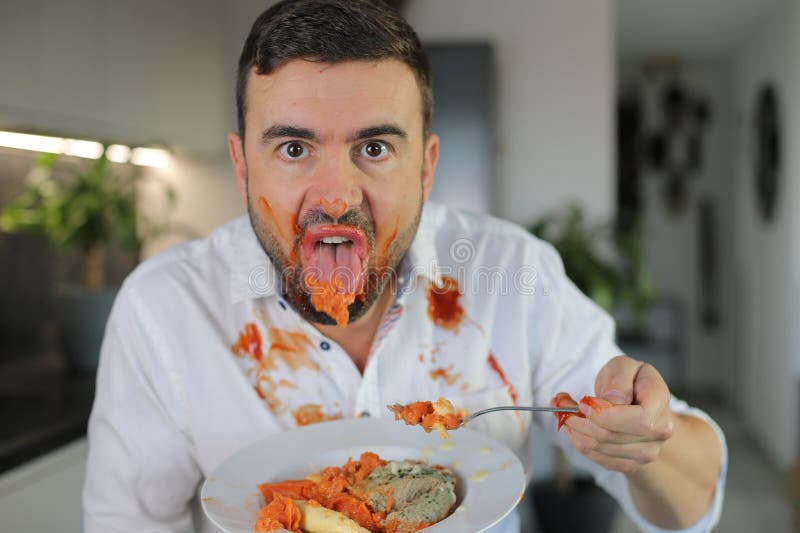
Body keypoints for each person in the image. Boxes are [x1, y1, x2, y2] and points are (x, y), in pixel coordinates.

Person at [82, 1, 726, 532]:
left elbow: (694, 503)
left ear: (426, 165)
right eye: (294, 146)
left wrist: (648, 441)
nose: (335, 196)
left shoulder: (517, 278)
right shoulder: (164, 311)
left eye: (374, 146)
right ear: (243, 163)